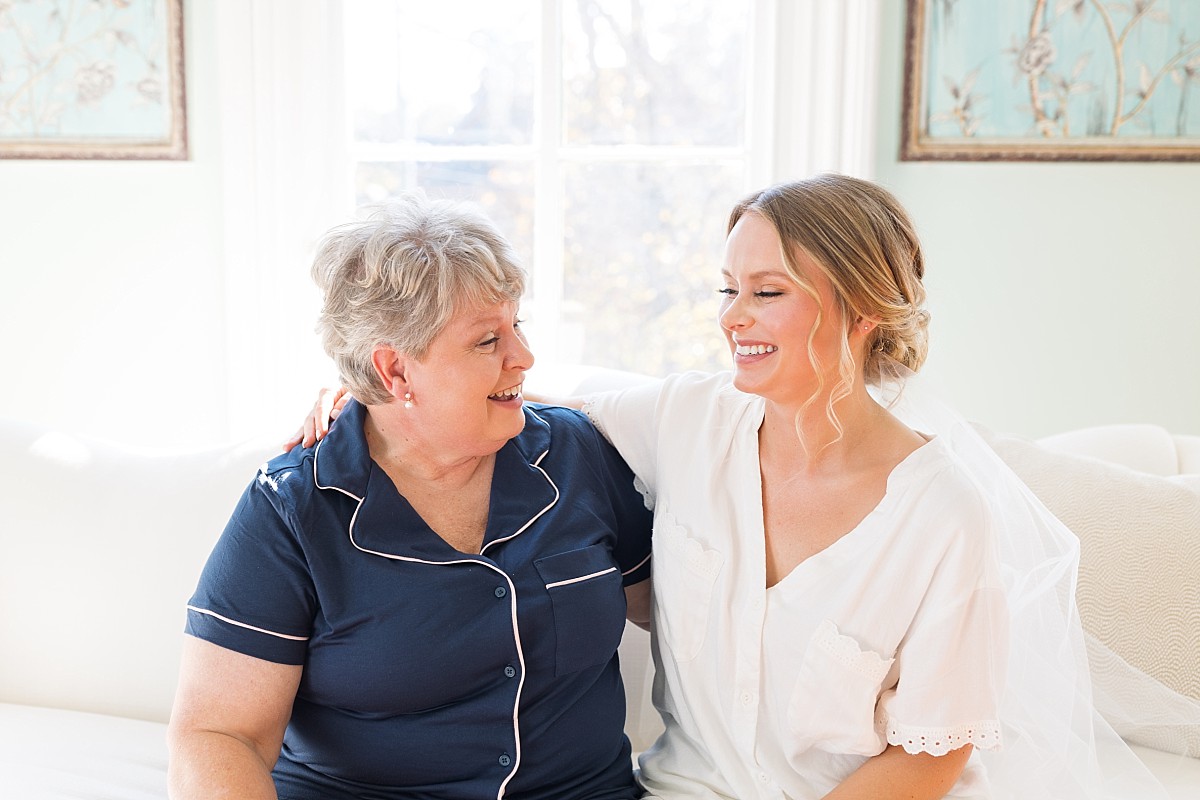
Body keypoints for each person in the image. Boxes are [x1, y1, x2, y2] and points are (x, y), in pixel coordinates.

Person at [294, 175, 1192, 799]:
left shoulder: (945, 517)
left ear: (858, 310)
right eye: (728, 288)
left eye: (766, 292)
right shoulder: (689, 421)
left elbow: (933, 756)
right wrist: (371, 392)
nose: (731, 319)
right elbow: (514, 391)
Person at [167, 194, 654, 800]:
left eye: (516, 326)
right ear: (395, 372)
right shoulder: (296, 507)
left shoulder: (577, 454)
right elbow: (219, 733)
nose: (523, 358)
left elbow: (684, 611)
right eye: (486, 341)